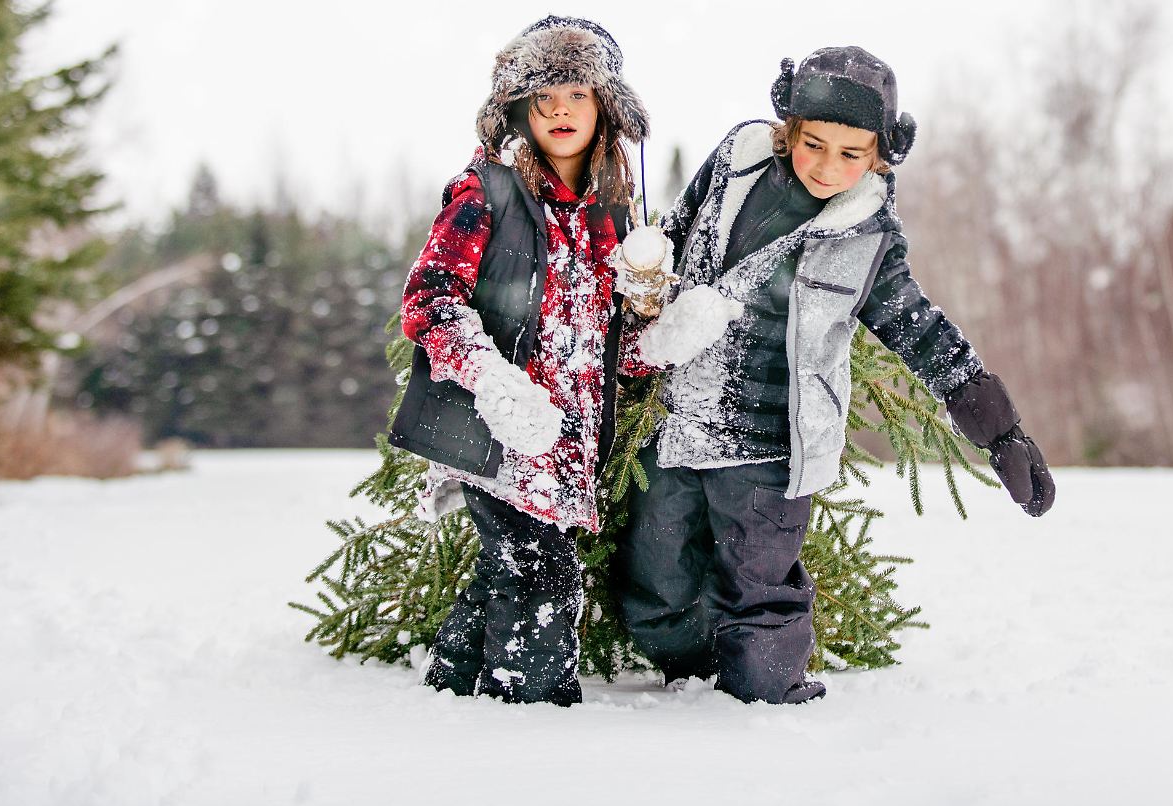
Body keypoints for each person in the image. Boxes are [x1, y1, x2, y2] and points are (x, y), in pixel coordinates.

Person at [613, 46, 1056, 704]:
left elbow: (923, 332)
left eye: (851, 154)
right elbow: (677, 229)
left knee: (760, 593)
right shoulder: (736, 160)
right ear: (788, 128)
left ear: (880, 154)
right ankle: (690, 687)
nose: (826, 166)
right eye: (813, 144)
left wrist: (1001, 431)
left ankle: (765, 705)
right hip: (678, 423)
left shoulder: (868, 240)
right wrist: (643, 269)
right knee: (655, 583)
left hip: (770, 448)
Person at [390, 15, 649, 706]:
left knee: (510, 566)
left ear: (607, 109)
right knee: (543, 576)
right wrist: (493, 380)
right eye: (544, 96)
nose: (561, 109)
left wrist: (660, 334)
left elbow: (613, 343)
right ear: (518, 108)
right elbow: (431, 302)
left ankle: (449, 684)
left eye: (578, 94)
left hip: (568, 441)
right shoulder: (487, 193)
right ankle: (529, 714)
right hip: (494, 432)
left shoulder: (614, 216)